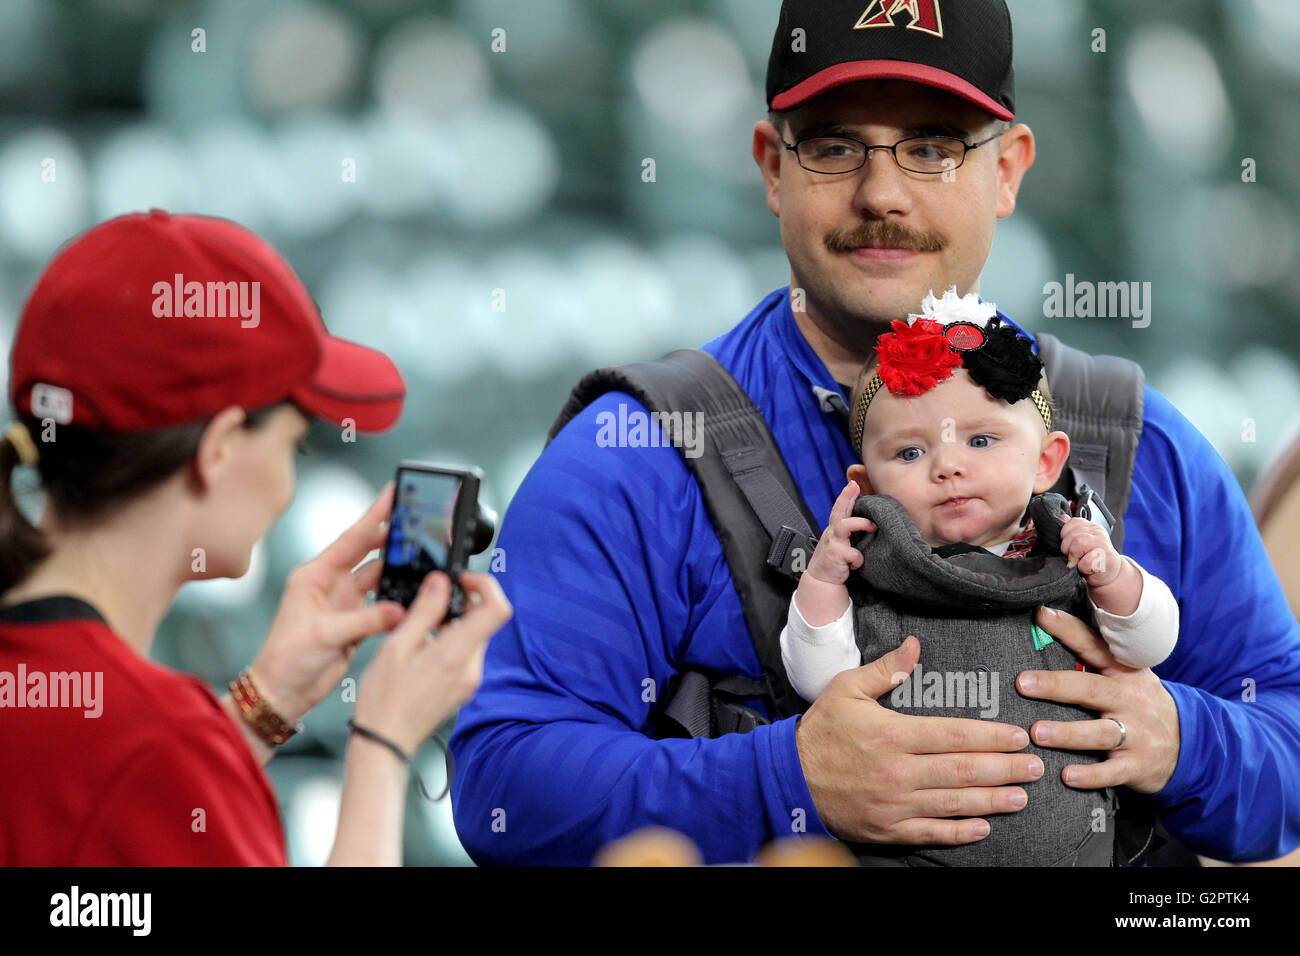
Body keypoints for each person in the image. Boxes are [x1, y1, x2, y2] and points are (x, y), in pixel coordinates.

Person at [449, 0, 1300, 865]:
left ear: (1008, 170)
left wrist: (1181, 739)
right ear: (771, 167)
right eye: (833, 146)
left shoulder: (1141, 445)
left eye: (932, 146)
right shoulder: (634, 456)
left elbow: (1290, 740)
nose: (881, 194)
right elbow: (502, 783)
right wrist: (785, 783)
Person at [0, 210, 512, 866]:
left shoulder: (121, 735)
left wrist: (264, 702)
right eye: (292, 447)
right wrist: (384, 744)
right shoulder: (154, 746)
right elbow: (133, 783)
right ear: (217, 450)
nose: (287, 487)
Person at [781, 290, 1180, 865]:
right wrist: (822, 584)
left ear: (1046, 462)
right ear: (867, 486)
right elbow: (819, 683)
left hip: (1075, 846)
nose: (948, 465)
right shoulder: (871, 570)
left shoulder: (1069, 550)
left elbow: (1150, 644)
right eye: (912, 453)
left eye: (982, 440)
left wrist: (1111, 576)